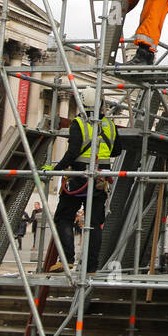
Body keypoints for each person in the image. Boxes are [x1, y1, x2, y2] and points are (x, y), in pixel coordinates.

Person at [42, 88, 121, 273]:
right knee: (94, 224)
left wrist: (55, 169)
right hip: (101, 177)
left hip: (80, 176)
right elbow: (116, 150)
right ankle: (91, 267)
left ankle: (67, 260)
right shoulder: (110, 124)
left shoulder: (79, 123)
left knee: (64, 216)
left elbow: (72, 152)